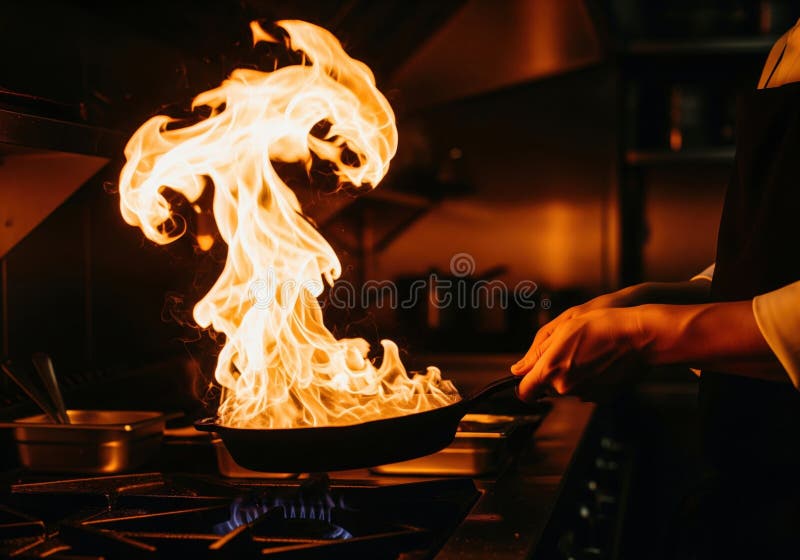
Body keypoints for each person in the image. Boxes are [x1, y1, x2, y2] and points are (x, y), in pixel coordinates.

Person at [511, 19, 800, 559]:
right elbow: (773, 263)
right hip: (747, 487)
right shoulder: (787, 44)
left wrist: (648, 333)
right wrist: (654, 301)